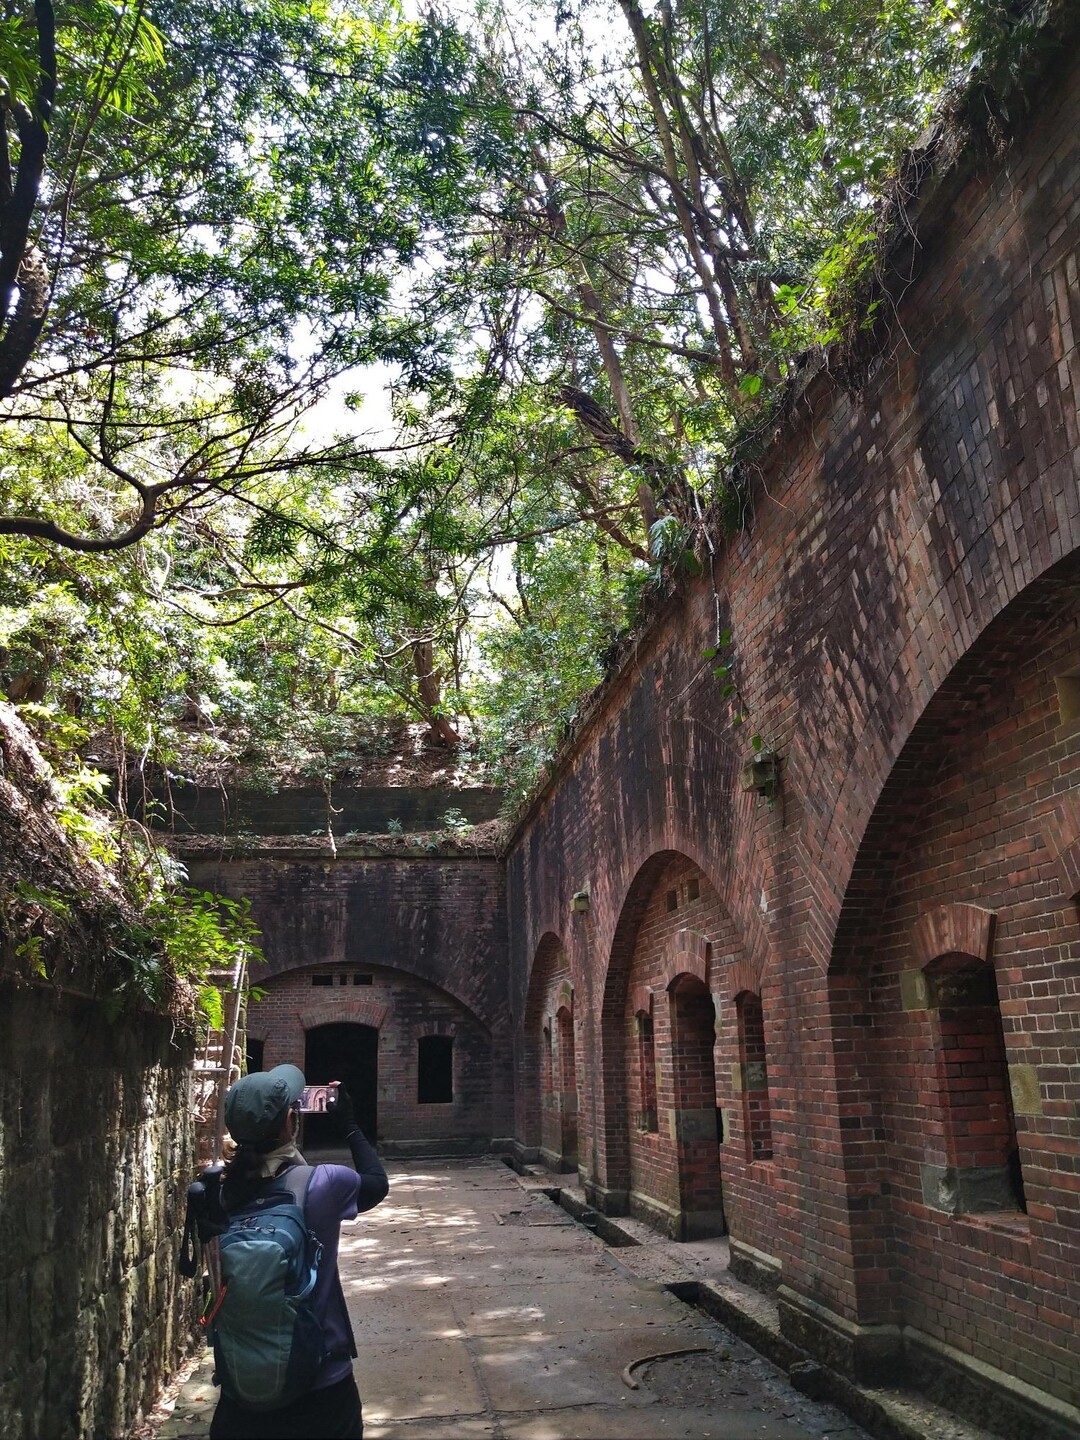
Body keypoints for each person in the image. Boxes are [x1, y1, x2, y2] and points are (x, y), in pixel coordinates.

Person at [209, 1063, 389, 1440]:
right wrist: (350, 1124)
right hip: (322, 1387)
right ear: (291, 1121)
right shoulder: (322, 1185)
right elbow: (376, 1183)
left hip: (241, 1394)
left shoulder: (217, 1194)